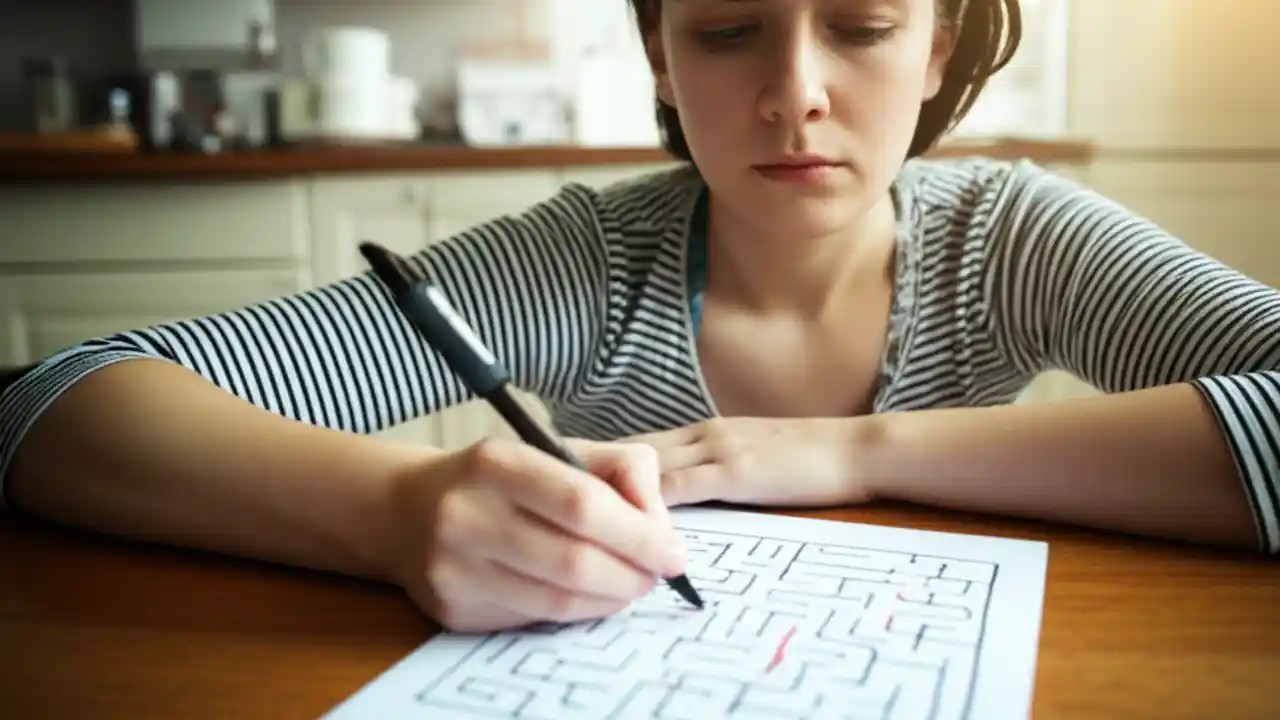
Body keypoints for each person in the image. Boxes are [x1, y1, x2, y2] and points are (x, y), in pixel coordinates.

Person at [2, 0, 1277, 634]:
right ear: (659, 54)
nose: (794, 94)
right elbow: (54, 402)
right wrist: (393, 511)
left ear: (938, 45)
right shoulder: (584, 263)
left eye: (861, 26)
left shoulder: (1015, 240)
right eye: (724, 31)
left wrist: (855, 450)